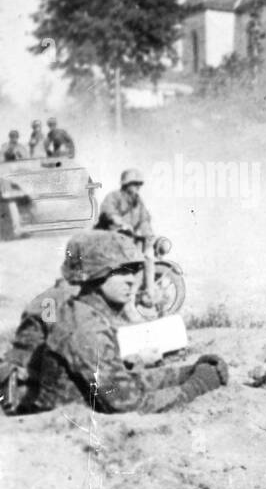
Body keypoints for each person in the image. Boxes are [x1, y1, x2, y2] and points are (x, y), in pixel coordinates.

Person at [22, 231, 227, 414]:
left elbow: (126, 383)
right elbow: (128, 403)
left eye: (132, 270)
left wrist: (188, 372)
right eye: (121, 271)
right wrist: (198, 385)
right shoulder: (86, 329)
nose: (131, 279)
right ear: (96, 274)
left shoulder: (85, 314)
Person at [0, 279, 77, 412]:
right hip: (27, 378)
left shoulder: (52, 296)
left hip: (25, 369)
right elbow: (54, 334)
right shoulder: (55, 299)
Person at [96, 168, 155, 240]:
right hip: (110, 238)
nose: (139, 186)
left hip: (129, 239)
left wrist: (149, 234)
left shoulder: (138, 201)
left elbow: (144, 219)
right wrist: (123, 224)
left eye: (140, 184)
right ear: (126, 184)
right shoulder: (114, 196)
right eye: (135, 184)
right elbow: (109, 213)